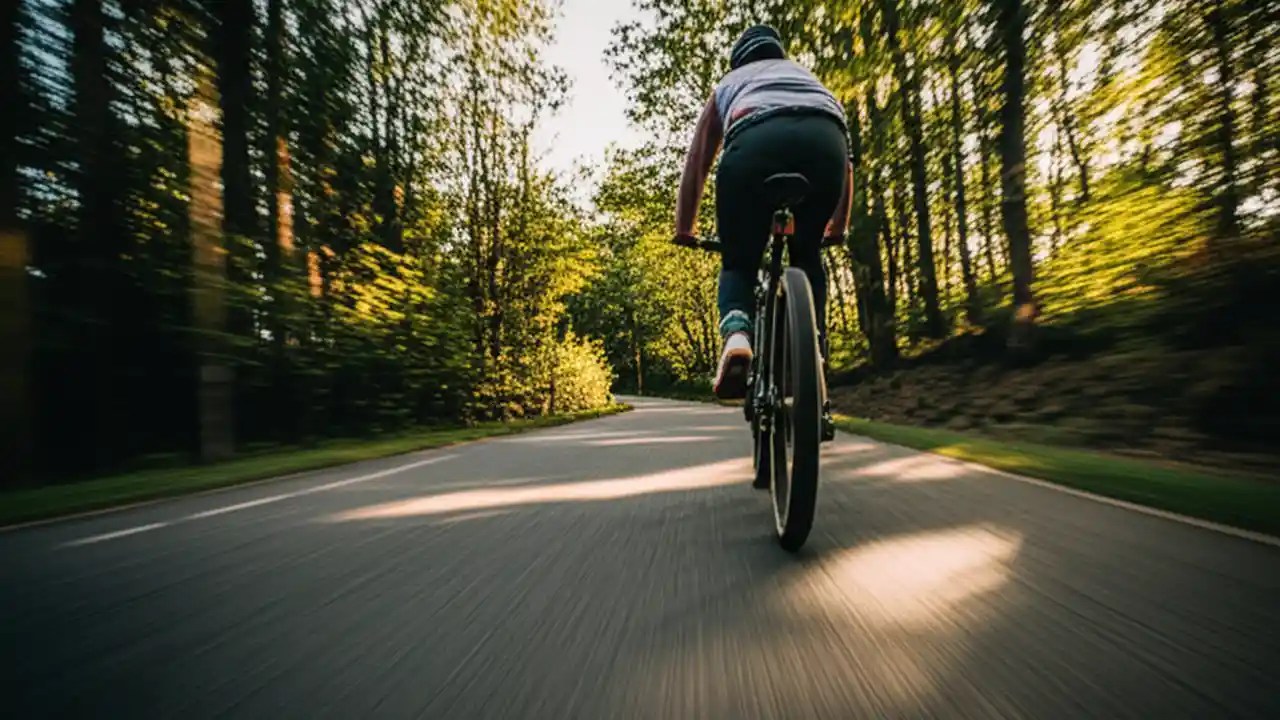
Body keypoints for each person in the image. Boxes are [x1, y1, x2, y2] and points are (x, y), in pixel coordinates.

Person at [672, 24, 853, 404]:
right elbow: (847, 167)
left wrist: (684, 227)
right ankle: (814, 349)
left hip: (753, 145)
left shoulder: (730, 83)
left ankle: (738, 337)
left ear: (738, 61)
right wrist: (837, 227)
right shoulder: (811, 81)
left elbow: (698, 159)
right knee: (808, 255)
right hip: (825, 146)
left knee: (739, 262)